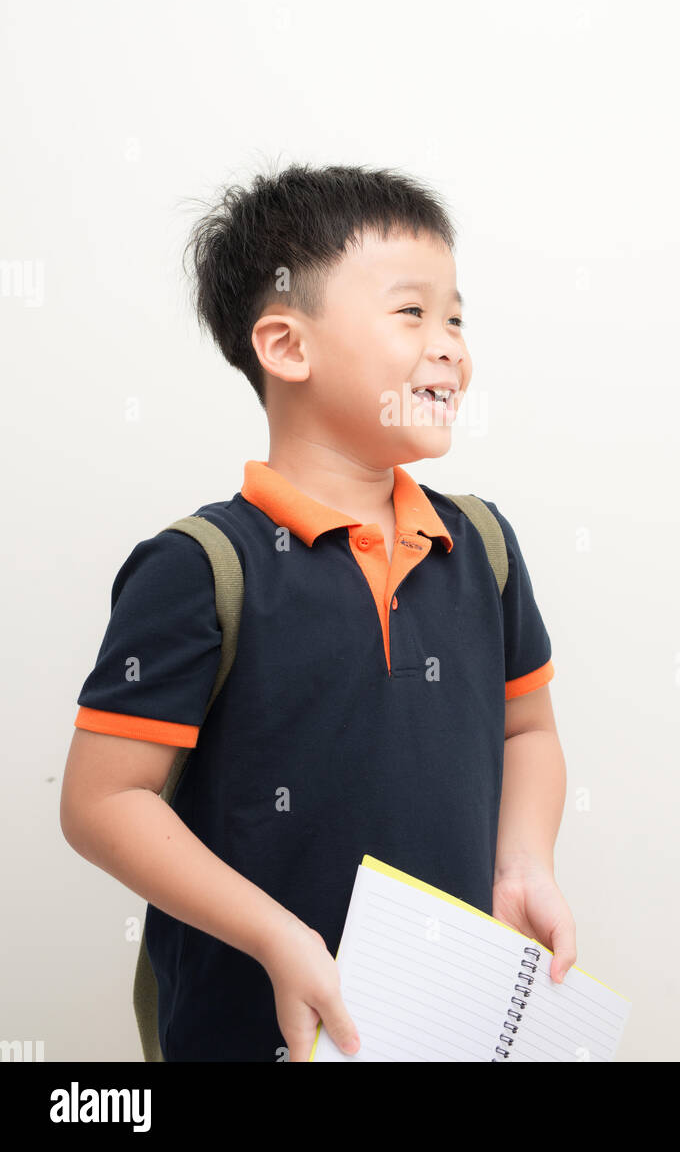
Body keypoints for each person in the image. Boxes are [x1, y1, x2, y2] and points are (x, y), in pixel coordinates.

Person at [59, 163, 575, 1062]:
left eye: (457, 317)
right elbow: (103, 802)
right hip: (251, 1035)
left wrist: (520, 863)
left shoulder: (481, 547)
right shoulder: (201, 568)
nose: (450, 344)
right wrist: (277, 938)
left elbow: (525, 731)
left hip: (439, 1025)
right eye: (412, 313)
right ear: (288, 347)